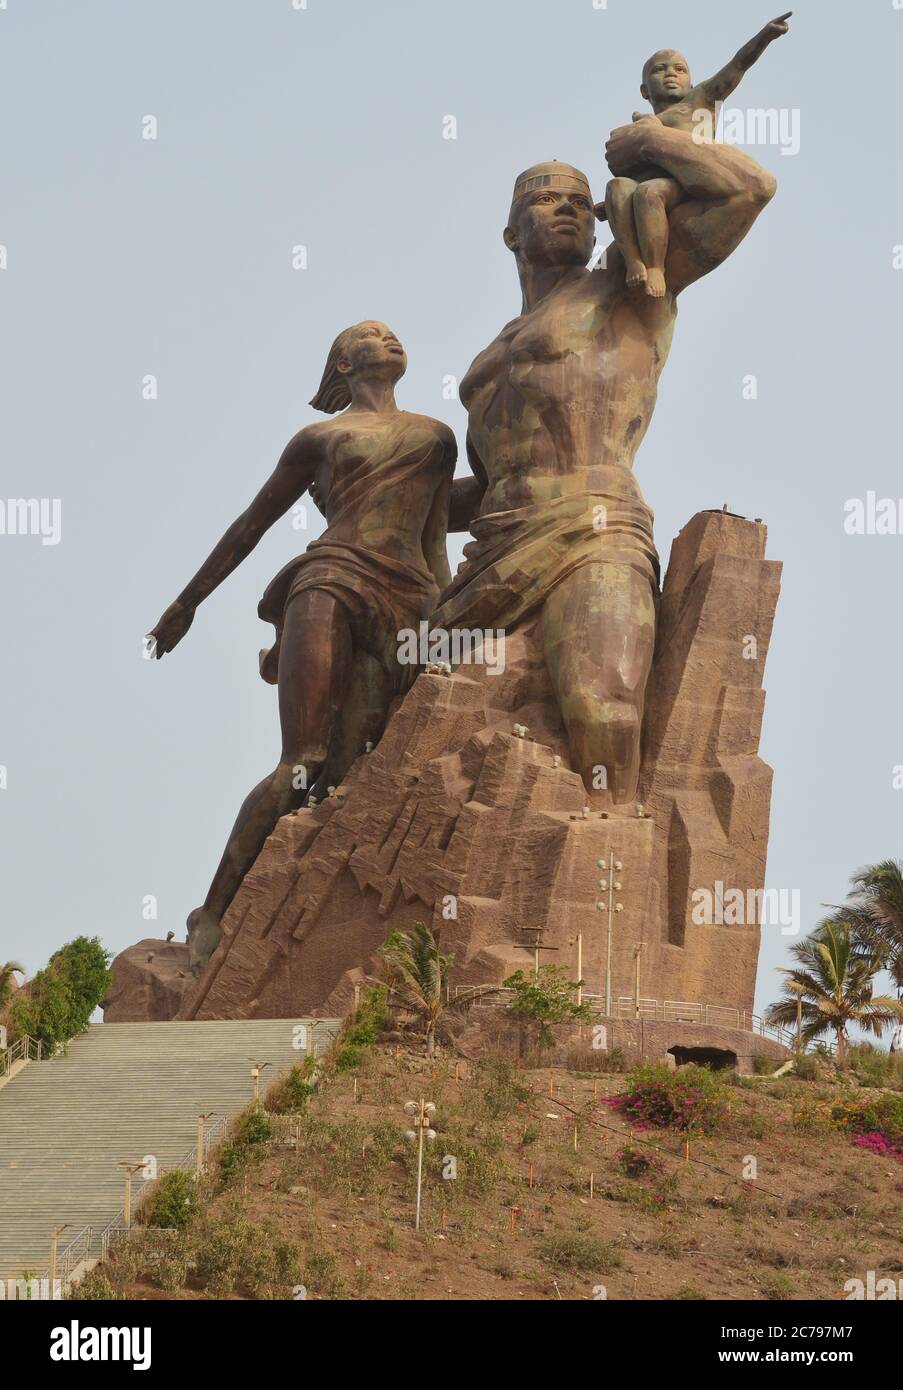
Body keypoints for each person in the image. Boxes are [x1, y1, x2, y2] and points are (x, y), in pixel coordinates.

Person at [148, 322, 456, 972]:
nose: (388, 338)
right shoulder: (321, 437)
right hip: (331, 581)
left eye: (392, 331)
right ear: (342, 363)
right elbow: (249, 525)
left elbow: (435, 544)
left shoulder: (436, 437)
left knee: (377, 760)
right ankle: (214, 912)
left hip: (410, 596)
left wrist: (453, 619)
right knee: (304, 761)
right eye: (370, 334)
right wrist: (186, 604)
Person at [603, 12, 791, 296]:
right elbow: (635, 172)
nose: (670, 75)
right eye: (660, 70)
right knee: (618, 187)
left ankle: (655, 267)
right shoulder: (642, 125)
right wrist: (605, 206)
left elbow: (737, 66)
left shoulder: (699, 101)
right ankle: (634, 263)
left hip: (685, 186)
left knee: (650, 193)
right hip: (648, 183)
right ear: (644, 90)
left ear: (691, 82)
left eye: (679, 69)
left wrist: (764, 37)